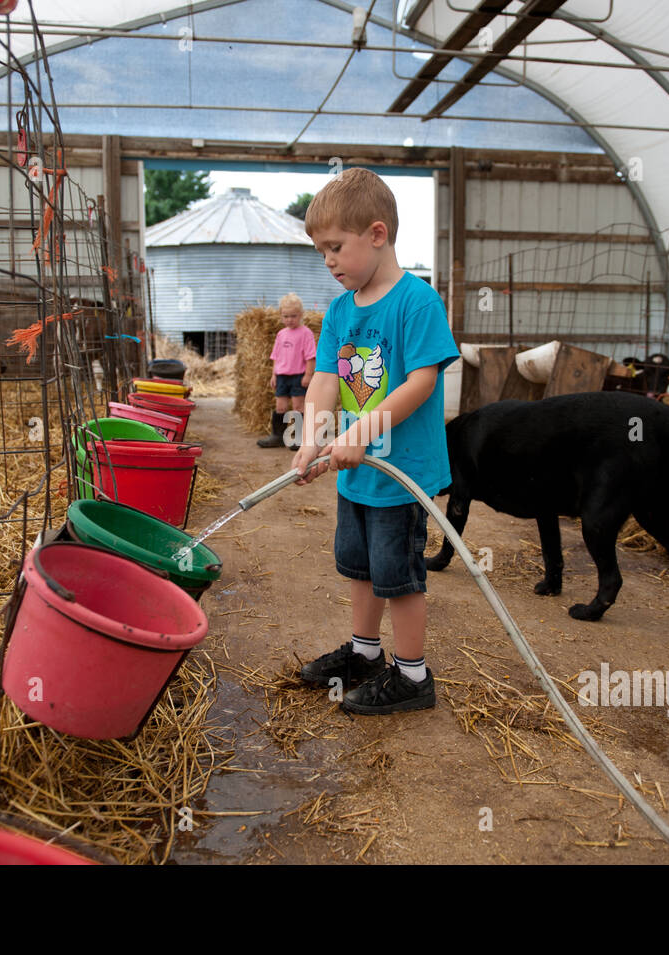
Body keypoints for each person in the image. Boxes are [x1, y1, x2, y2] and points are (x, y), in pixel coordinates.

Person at [291, 168, 459, 715]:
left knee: (399, 576)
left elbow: (422, 381)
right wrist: (314, 436)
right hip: (357, 470)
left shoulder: (416, 302)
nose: (329, 261)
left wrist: (359, 431)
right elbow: (324, 379)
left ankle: (412, 675)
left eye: (336, 247)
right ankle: (365, 655)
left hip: (400, 470)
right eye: (321, 252)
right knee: (360, 566)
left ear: (378, 234)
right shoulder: (341, 310)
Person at [257, 293, 316, 450]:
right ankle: (278, 436)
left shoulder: (306, 333)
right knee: (280, 407)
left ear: (301, 315)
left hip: (298, 376)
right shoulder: (281, 334)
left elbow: (311, 357)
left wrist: (308, 375)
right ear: (281, 316)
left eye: (293, 316)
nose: (289, 319)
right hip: (282, 376)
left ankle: (299, 438)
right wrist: (274, 375)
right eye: (286, 316)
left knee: (298, 407)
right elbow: (276, 356)